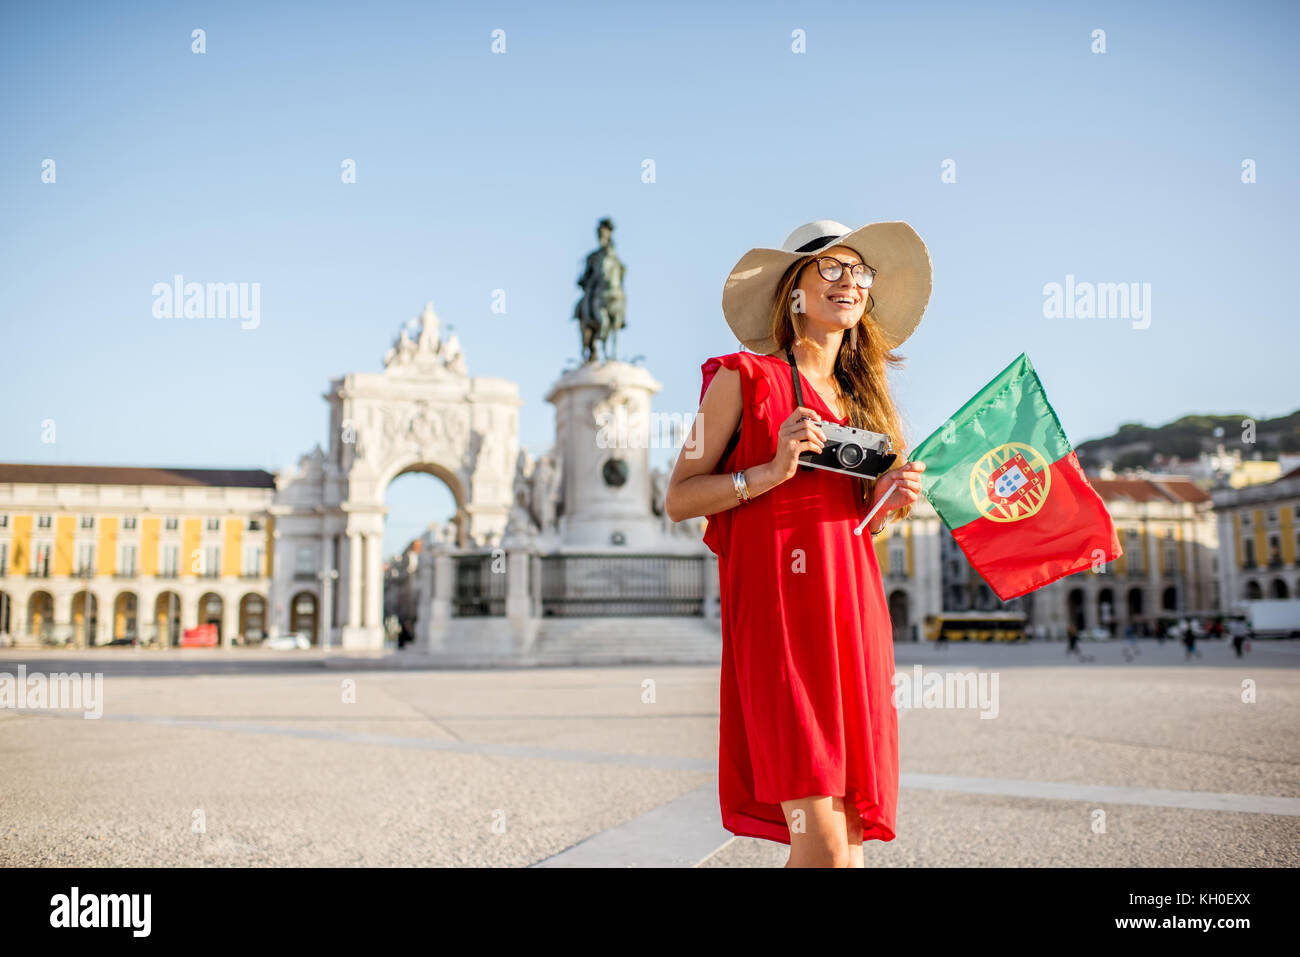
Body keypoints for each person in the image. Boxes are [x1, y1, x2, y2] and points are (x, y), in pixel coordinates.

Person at [665, 219, 932, 868]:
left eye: (860, 272)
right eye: (832, 269)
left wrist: (889, 500)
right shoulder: (742, 378)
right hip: (781, 619)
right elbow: (679, 496)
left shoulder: (865, 400)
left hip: (854, 618)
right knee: (826, 847)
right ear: (793, 291)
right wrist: (767, 470)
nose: (850, 283)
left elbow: (855, 524)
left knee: (849, 846)